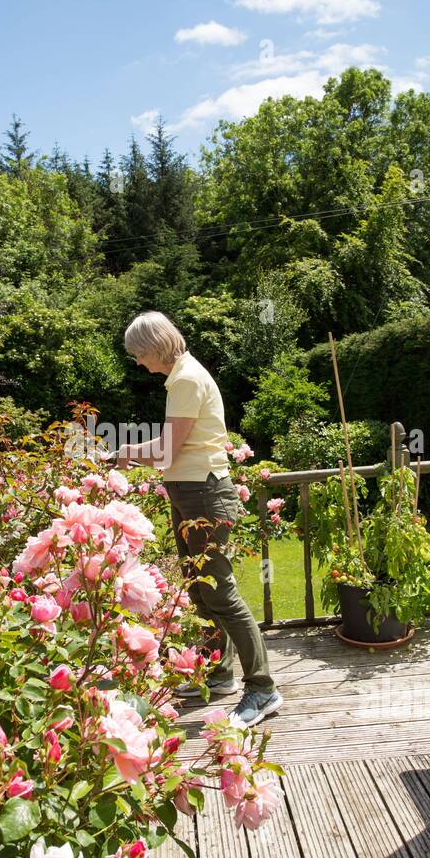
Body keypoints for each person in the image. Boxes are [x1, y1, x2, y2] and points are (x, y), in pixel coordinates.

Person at [116, 310, 281, 727]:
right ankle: (218, 674)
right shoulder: (181, 377)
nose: (138, 363)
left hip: (204, 494)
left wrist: (121, 452)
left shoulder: (187, 379)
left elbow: (168, 450)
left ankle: (262, 689)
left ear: (155, 347)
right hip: (189, 492)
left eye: (139, 354)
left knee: (221, 593)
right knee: (200, 591)